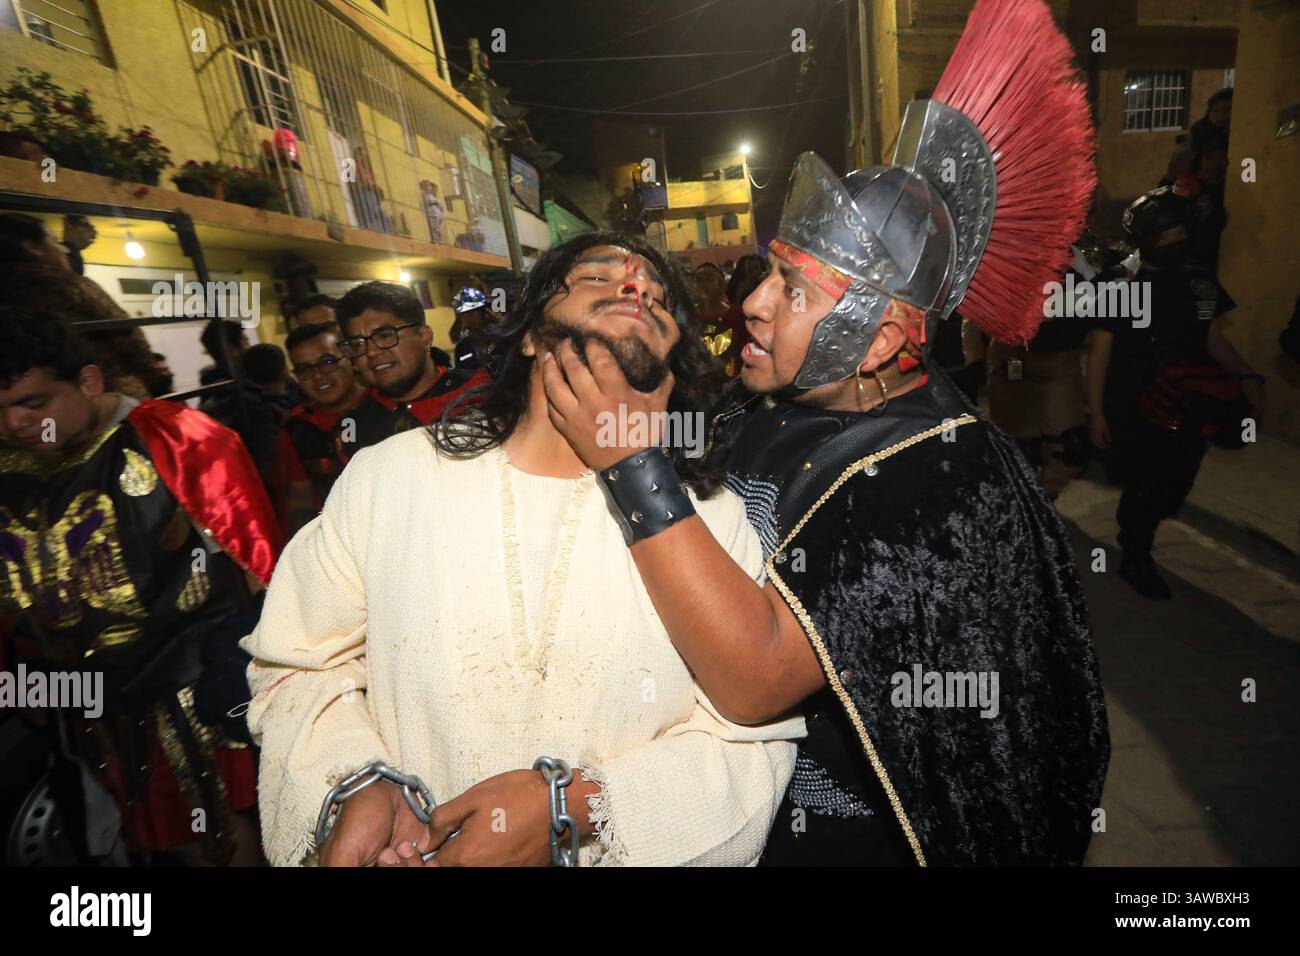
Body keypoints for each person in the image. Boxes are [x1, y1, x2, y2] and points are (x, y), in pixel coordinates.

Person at [541, 0, 1108, 866]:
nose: (755, 303)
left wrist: (630, 462)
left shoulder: (940, 478)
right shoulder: (771, 403)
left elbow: (757, 678)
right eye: (770, 273)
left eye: (795, 291)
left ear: (879, 341)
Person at [239, 232, 803, 867]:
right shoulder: (389, 478)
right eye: (598, 277)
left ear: (671, 355)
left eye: (656, 296)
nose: (635, 287)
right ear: (531, 335)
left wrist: (575, 807)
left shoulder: (711, 520)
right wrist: (356, 781)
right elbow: (297, 667)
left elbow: (750, 746)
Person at [0, 307, 280, 866]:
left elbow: (260, 565)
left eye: (34, 403)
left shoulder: (177, 440)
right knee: (157, 841)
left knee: (226, 836)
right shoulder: (9, 468)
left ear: (88, 381)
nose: (16, 423)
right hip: (92, 703)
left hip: (193, 686)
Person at [1087, 186, 1264, 600]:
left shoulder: (1199, 280)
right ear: (1147, 237)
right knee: (1146, 478)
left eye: (1181, 230)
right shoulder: (1119, 282)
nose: (1177, 239)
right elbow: (1100, 349)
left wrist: (1247, 375)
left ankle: (1142, 529)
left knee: (1176, 482)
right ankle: (1136, 552)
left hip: (1188, 398)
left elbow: (1212, 338)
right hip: (1134, 399)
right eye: (1168, 232)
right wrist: (1096, 411)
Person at [0, 213, 163, 399]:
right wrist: (156, 379)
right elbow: (124, 332)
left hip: (48, 399)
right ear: (33, 248)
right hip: (110, 389)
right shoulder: (67, 285)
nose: (64, 250)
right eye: (56, 242)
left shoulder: (9, 295)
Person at [986, 241, 1102, 501]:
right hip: (1013, 356)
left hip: (1060, 358)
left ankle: (1042, 500)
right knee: (1021, 450)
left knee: (1071, 447)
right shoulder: (1007, 251)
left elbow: (1095, 301)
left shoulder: (1076, 256)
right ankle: (1024, 503)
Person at [335, 281, 487, 456]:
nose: (371, 352)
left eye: (385, 335)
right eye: (357, 344)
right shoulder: (354, 427)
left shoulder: (482, 395)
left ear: (424, 336)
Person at [277, 321, 366, 534]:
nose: (318, 376)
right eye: (304, 369)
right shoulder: (298, 427)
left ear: (350, 359)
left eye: (327, 362)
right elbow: (301, 495)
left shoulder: (389, 407)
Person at [449, 286, 488, 371]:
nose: (466, 317)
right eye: (463, 313)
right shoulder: (463, 346)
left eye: (472, 312)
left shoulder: (496, 337)